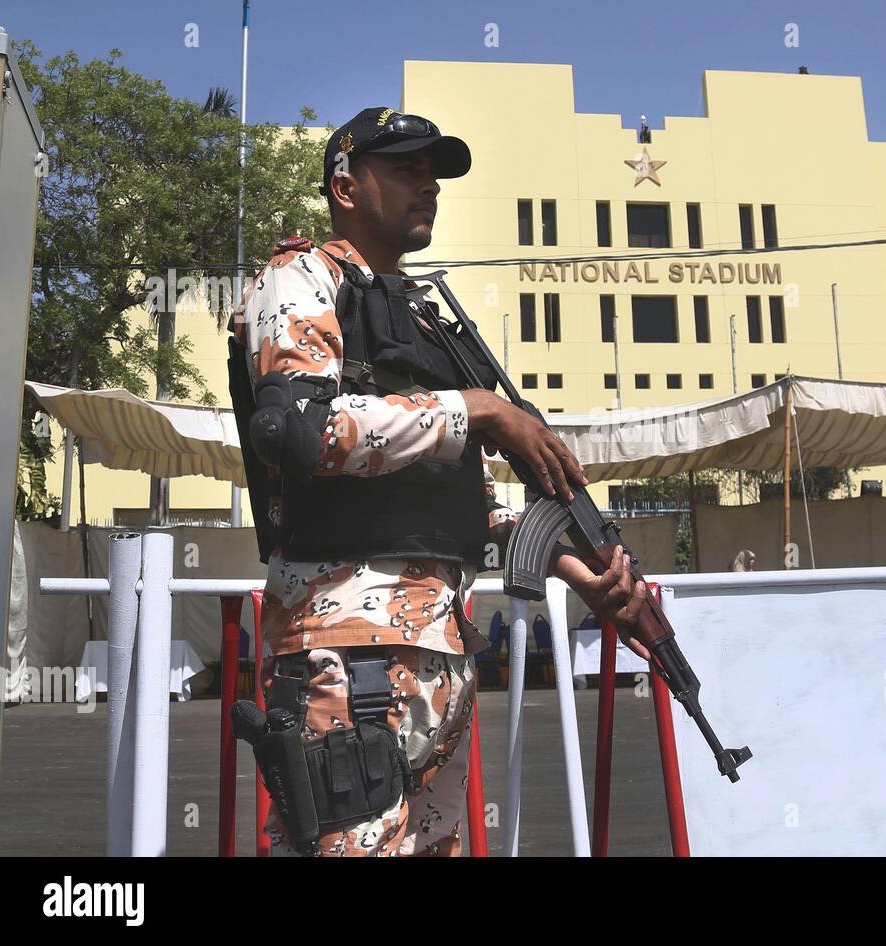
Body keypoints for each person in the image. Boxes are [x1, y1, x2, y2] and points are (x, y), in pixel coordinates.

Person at [230, 107, 649, 857]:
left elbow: (469, 510)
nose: (429, 185)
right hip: (345, 647)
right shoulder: (301, 279)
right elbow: (301, 431)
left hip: (442, 654)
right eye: (406, 169)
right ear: (345, 187)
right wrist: (478, 409)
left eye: (436, 173)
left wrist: (574, 568)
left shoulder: (423, 320)